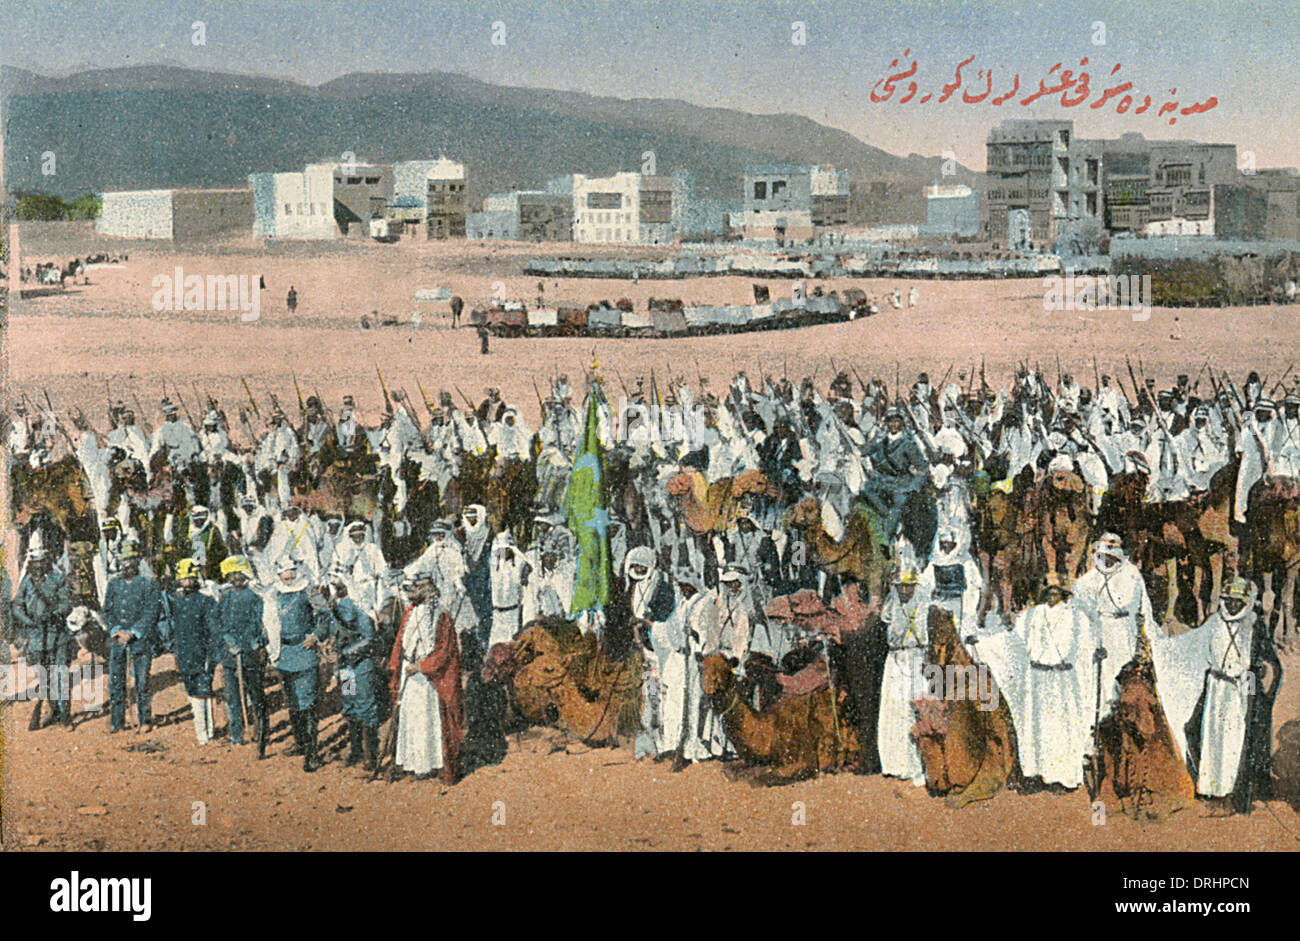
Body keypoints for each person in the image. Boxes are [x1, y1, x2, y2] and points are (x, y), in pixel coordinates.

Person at [1186, 577, 1282, 815]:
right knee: (1211, 736)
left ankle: (1234, 795)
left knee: (1240, 738)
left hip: (1242, 683)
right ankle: (1210, 789)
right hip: (1216, 685)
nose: (1232, 605)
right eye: (1228, 600)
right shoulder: (1213, 622)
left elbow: (1271, 664)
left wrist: (1259, 698)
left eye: (1237, 602)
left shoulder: (1254, 624)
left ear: (1246, 602)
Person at [1012, 574, 1092, 791]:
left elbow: (1084, 647)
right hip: (1037, 677)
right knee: (1037, 726)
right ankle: (1036, 774)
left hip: (1062, 679)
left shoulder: (1075, 616)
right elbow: (1018, 641)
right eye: (1049, 591)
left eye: (1056, 592)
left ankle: (1062, 777)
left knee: (1060, 726)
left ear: (1063, 594)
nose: (1052, 595)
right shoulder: (1032, 614)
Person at [387, 570, 465, 782]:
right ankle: (412, 764)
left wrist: (421, 666)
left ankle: (430, 765)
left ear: (426, 589)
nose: (409, 592)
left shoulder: (441, 616)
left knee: (426, 721)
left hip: (428, 677)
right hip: (409, 671)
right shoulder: (409, 612)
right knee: (411, 719)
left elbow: (445, 651)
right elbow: (400, 642)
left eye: (414, 588)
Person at [267, 558, 330, 772]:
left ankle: (311, 755)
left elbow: (325, 615)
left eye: (291, 573)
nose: (288, 577)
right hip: (284, 654)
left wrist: (316, 635)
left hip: (304, 652)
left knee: (307, 703)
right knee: (292, 702)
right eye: (284, 574)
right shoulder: (274, 593)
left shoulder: (308, 591)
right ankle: (300, 743)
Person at [320, 565, 382, 771]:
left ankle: (370, 757)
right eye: (336, 588)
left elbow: (369, 639)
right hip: (346, 668)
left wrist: (345, 653)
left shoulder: (360, 607)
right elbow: (334, 631)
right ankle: (356, 751)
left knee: (365, 707)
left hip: (361, 666)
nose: (338, 591)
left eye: (340, 587)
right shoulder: (336, 607)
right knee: (350, 705)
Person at [878, 565, 931, 784]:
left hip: (917, 658)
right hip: (896, 660)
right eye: (901, 586)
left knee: (917, 708)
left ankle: (920, 766)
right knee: (895, 710)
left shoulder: (924, 604)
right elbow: (886, 620)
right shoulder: (892, 605)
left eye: (909, 586)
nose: (905, 591)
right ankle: (896, 764)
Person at [11, 546, 74, 730]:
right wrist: (28, 621)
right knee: (44, 677)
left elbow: (66, 603)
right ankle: (53, 711)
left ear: (46, 563)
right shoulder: (27, 583)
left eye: (41, 564)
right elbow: (17, 606)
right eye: (34, 564)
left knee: (61, 675)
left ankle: (64, 716)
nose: (38, 568)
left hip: (57, 635)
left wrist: (54, 614)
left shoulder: (57, 579)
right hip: (37, 637)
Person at [102, 543, 161, 734]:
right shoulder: (113, 584)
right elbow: (107, 610)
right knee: (116, 682)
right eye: (122, 562)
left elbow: (152, 612)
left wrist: (134, 632)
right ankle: (117, 722)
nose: (125, 566)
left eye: (129, 562)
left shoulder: (147, 585)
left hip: (140, 641)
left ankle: (144, 719)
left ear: (135, 564)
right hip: (118, 640)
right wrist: (116, 630)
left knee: (142, 682)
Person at [215, 556, 269, 755]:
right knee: (233, 696)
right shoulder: (225, 598)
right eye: (232, 576)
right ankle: (236, 734)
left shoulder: (254, 597)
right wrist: (229, 642)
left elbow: (260, 623)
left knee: (255, 695)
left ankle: (259, 732)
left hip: (250, 654)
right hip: (230, 656)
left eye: (239, 576)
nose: (236, 579)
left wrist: (255, 643)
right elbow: (220, 623)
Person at [167, 558, 219, 744]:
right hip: (184, 652)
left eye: (189, 579)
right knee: (191, 689)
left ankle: (207, 732)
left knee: (203, 690)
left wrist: (211, 653)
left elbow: (213, 630)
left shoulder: (206, 601)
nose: (185, 583)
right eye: (182, 579)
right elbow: (176, 629)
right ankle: (202, 732)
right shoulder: (178, 602)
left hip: (202, 652)